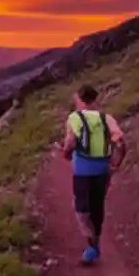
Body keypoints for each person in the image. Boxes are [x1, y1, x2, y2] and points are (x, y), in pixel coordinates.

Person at [58, 84, 126, 265]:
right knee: (97, 205)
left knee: (81, 207)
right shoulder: (107, 118)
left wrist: (65, 154)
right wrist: (115, 164)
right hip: (103, 169)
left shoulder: (74, 118)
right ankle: (95, 240)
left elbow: (70, 142)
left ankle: (91, 245)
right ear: (95, 100)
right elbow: (120, 141)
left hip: (82, 170)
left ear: (80, 100)